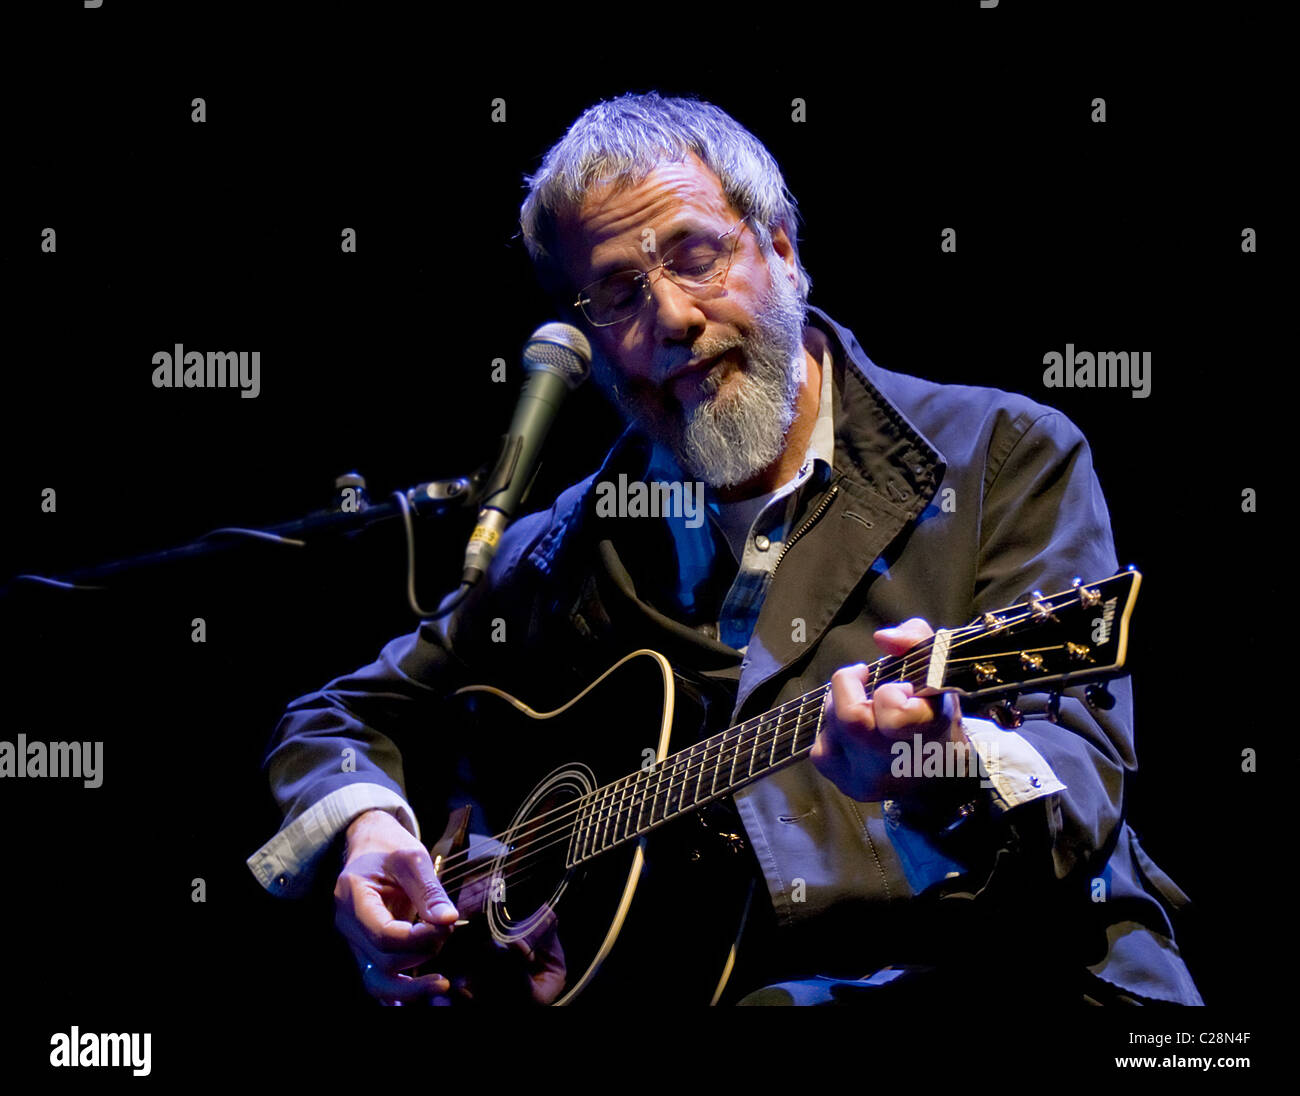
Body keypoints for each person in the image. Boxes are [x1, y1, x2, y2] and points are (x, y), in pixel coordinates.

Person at [247, 92, 1202, 1007]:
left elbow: (1075, 784)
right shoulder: (568, 547)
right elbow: (336, 716)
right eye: (617, 294)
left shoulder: (1001, 454)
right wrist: (369, 827)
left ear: (782, 249)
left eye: (695, 257)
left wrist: (937, 767)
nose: (668, 319)